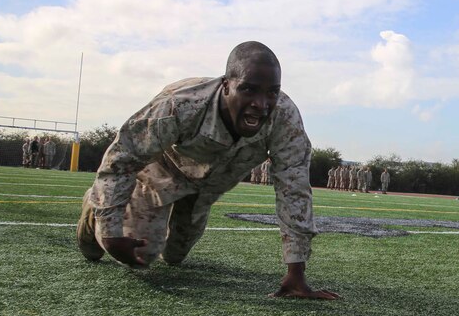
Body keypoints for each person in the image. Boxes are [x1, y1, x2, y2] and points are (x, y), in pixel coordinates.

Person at [76, 41, 338, 299]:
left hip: (206, 189)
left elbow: (294, 189)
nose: (261, 103)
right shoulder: (180, 105)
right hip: (162, 174)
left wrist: (297, 271)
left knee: (175, 257)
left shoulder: (284, 118)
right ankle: (93, 208)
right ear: (226, 86)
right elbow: (122, 158)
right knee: (139, 255)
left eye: (272, 92)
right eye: (248, 89)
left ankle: (162, 218)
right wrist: (111, 231)